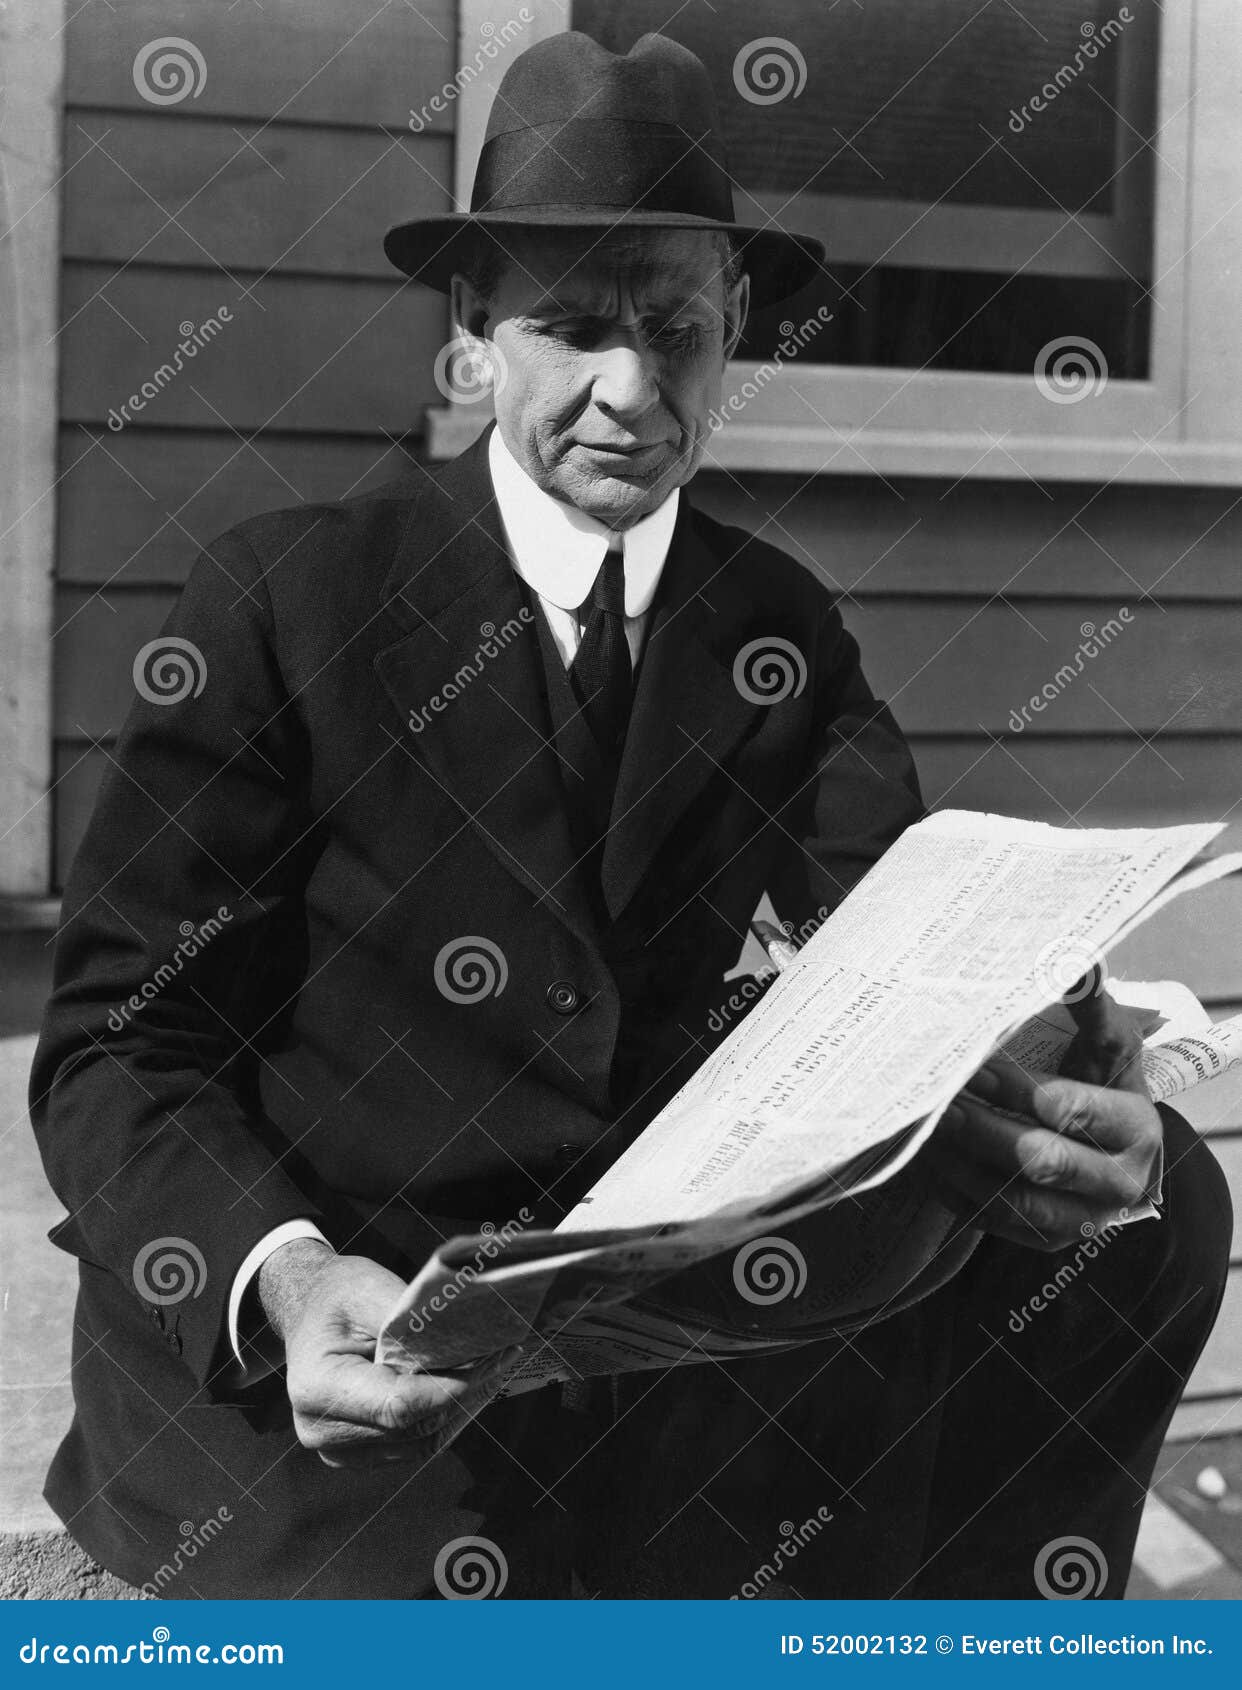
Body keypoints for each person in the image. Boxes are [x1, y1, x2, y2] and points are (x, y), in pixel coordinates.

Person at [30, 31, 1230, 1601]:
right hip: (364, 1332)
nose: (631, 390)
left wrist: (1062, 1050)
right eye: (573, 327)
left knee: (1146, 1210)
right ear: (475, 331)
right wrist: (290, 1276)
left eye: (675, 329)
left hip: (652, 1327)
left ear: (732, 332)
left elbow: (903, 935)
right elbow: (119, 1047)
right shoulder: (285, 599)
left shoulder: (775, 623)